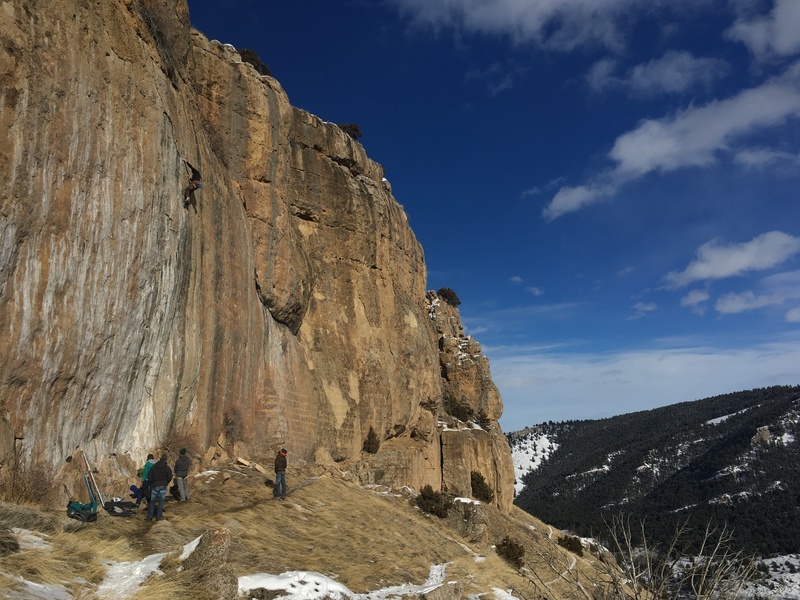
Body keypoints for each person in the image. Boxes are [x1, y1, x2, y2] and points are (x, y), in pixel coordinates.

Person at [146, 454, 173, 521]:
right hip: (163, 485)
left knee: (152, 501)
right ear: (165, 460)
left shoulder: (154, 467)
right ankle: (159, 517)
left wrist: (153, 483)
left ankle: (150, 517)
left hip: (154, 485)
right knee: (161, 501)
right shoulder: (167, 468)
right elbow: (170, 476)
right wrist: (166, 482)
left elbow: (149, 477)